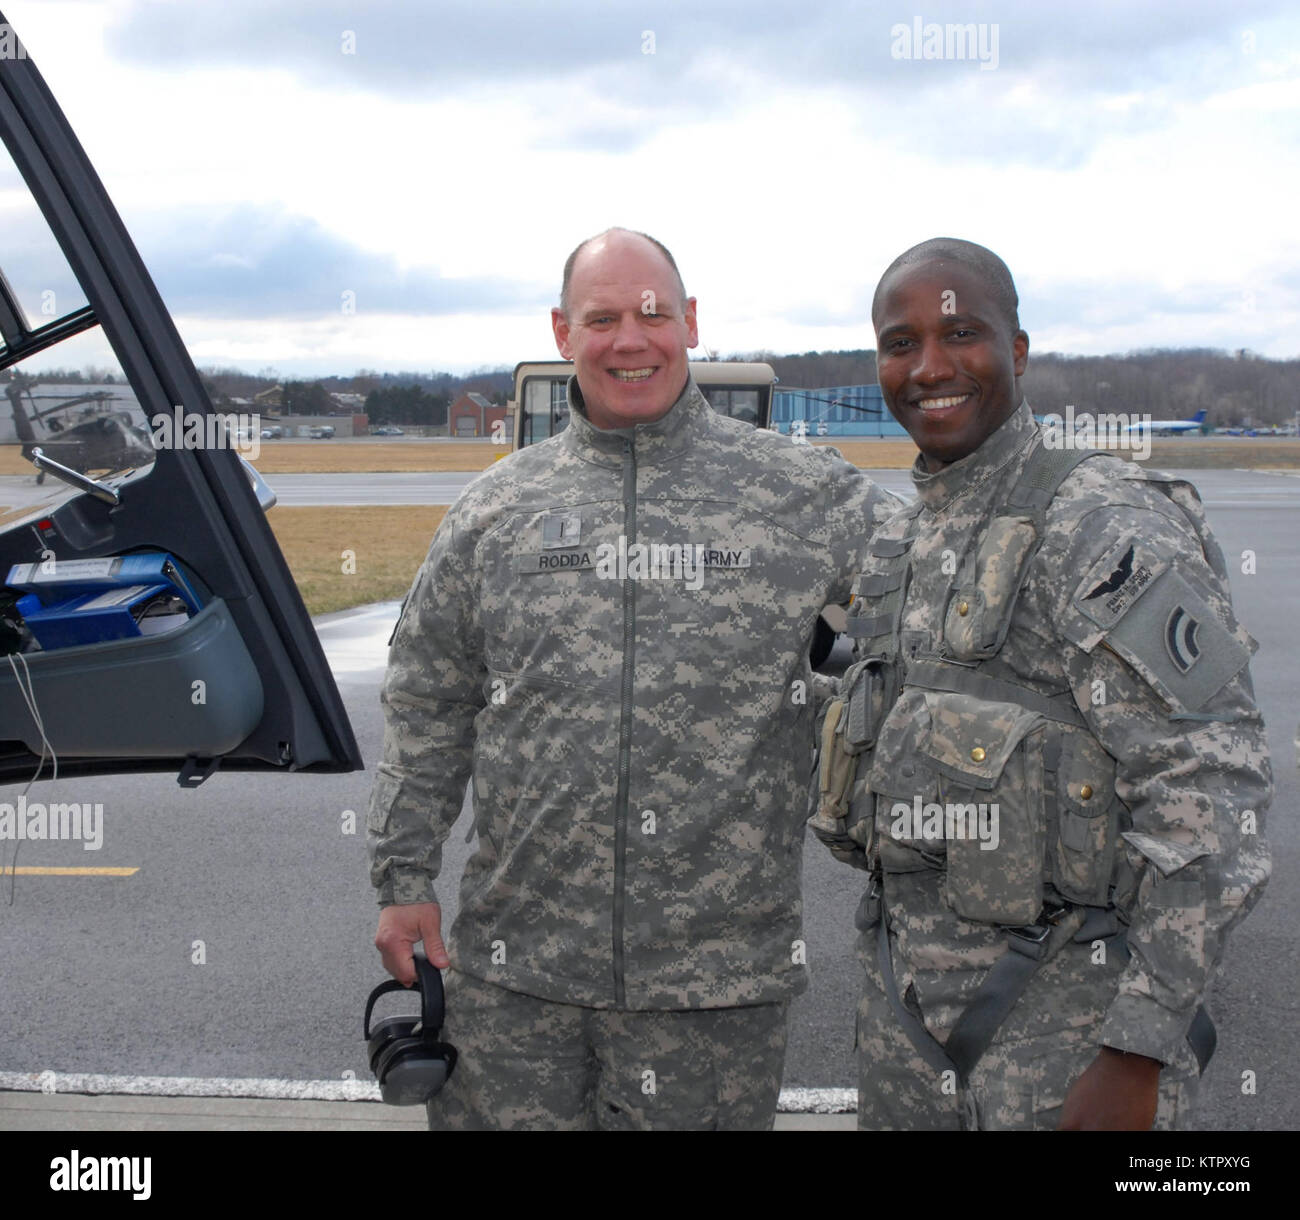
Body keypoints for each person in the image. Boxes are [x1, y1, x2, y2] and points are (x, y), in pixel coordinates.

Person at [367, 227, 900, 1130]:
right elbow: (428, 699)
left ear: (690, 322)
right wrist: (402, 876)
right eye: (601, 317)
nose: (629, 339)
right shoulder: (495, 513)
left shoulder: (801, 494)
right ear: (563, 331)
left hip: (714, 989)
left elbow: (953, 602)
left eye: (651, 313)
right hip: (515, 977)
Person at [811, 237, 1271, 1130]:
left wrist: (1137, 1051)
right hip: (909, 1041)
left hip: (1069, 1056)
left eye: (962, 334)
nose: (930, 366)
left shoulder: (1101, 526)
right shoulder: (902, 544)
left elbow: (1215, 803)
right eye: (900, 343)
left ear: (1016, 352)